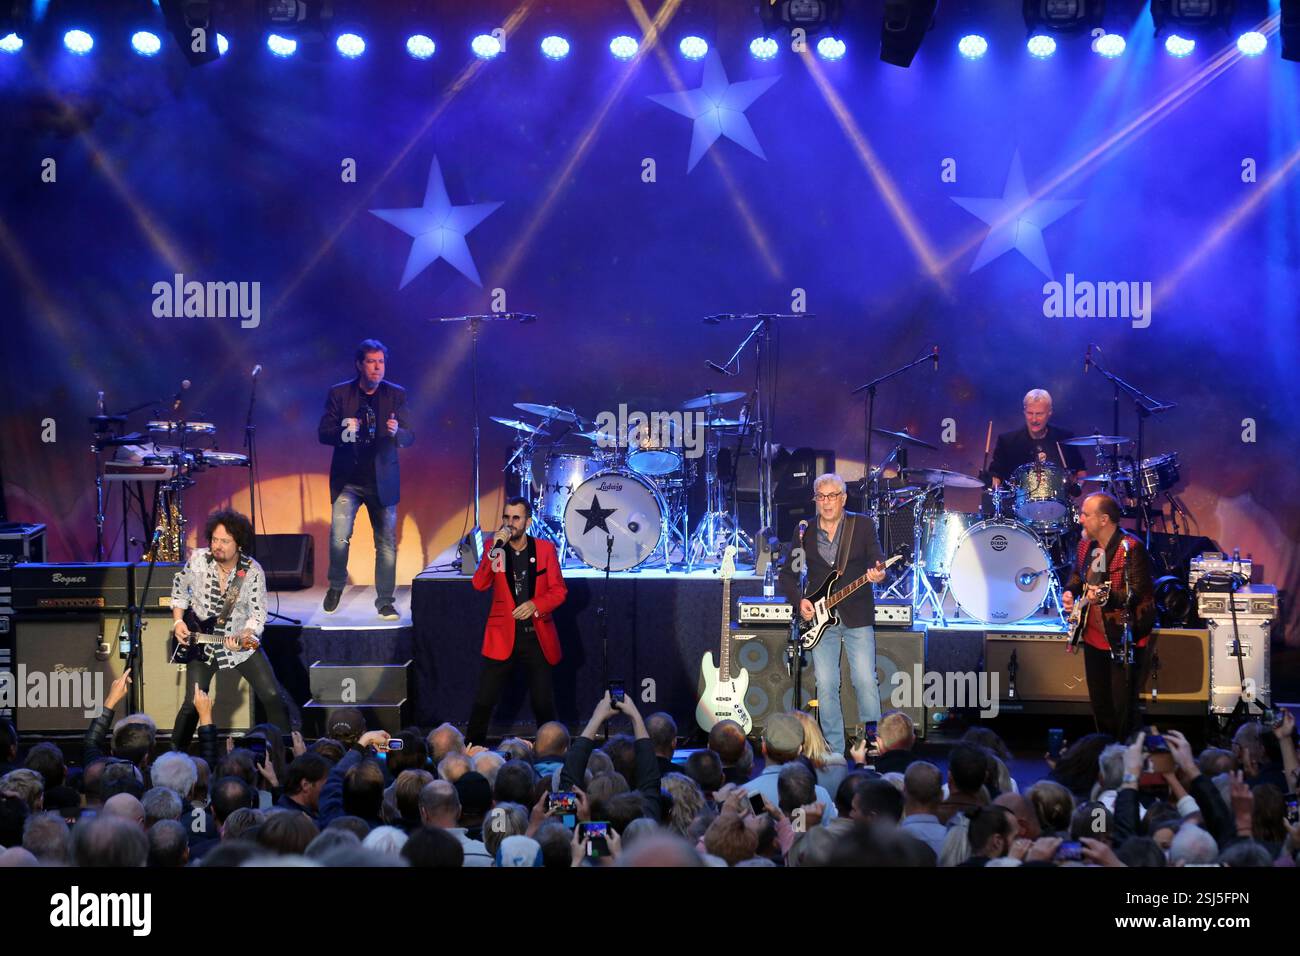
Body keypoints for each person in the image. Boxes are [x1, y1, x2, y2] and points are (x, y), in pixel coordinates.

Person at [778, 472, 887, 755]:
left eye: (832, 496)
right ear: (815, 499)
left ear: (843, 498)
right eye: (821, 496)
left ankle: (871, 746)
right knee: (826, 684)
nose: (827, 502)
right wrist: (800, 600)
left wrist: (878, 572)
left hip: (857, 614)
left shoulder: (861, 526)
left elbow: (877, 559)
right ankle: (835, 753)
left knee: (864, 679)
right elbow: (788, 575)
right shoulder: (804, 531)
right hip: (819, 620)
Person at [167, 509, 290, 751]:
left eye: (224, 541)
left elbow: (257, 614)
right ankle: (172, 757)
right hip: (201, 642)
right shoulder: (198, 560)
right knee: (192, 704)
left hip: (237, 645)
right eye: (214, 539)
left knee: (273, 696)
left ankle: (284, 753)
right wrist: (178, 622)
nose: (217, 546)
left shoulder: (251, 571)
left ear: (239, 543)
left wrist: (246, 635)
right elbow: (179, 591)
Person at [318, 338, 415, 620]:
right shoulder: (339, 394)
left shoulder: (396, 395)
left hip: (382, 480)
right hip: (348, 479)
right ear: (360, 365)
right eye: (371, 362)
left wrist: (398, 432)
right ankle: (336, 587)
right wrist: (343, 430)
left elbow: (410, 437)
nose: (377, 368)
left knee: (385, 543)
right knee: (339, 537)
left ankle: (384, 600)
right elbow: (323, 432)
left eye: (381, 362)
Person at [466, 497, 568, 745]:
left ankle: (551, 750)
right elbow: (479, 584)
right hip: (503, 635)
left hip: (536, 634)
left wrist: (535, 605)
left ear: (527, 522)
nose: (510, 524)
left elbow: (559, 591)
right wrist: (493, 552)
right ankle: (472, 747)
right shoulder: (495, 547)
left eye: (516, 518)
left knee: (543, 701)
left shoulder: (544, 550)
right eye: (506, 518)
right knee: (485, 698)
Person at [1061, 492, 1156, 739]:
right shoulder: (1086, 545)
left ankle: (1127, 760)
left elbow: (1136, 593)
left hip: (1123, 637)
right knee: (1101, 705)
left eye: (1086, 514)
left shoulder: (1130, 548)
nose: (1080, 519)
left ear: (1104, 519)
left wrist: (1104, 597)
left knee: (1122, 709)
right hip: (1094, 637)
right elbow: (1076, 576)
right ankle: (1106, 758)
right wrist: (1070, 592)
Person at [988, 388, 1087, 488]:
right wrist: (990, 480)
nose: (1034, 419)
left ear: (1049, 412)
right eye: (1030, 413)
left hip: (1058, 501)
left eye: (1039, 414)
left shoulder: (1065, 438)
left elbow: (1081, 472)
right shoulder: (1007, 441)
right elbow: (996, 475)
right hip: (1017, 501)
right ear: (1024, 412)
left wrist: (1076, 489)